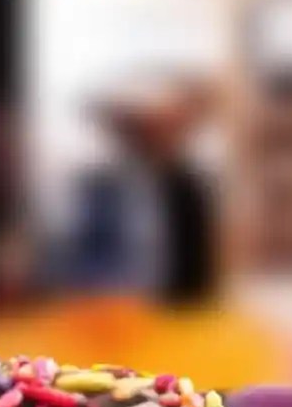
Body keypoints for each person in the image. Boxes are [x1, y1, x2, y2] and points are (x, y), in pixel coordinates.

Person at [68, 79, 218, 305]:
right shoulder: (100, 187)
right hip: (116, 308)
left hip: (178, 309)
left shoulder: (189, 186)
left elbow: (200, 263)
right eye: (144, 127)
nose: (157, 136)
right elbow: (83, 257)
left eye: (166, 127)